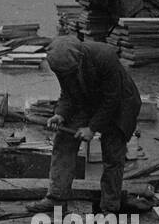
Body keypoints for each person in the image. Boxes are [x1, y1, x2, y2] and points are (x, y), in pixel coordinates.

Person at [44, 35, 142, 214]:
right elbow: (68, 94)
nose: (65, 75)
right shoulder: (62, 64)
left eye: (69, 72)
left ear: (79, 59)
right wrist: (60, 114)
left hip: (121, 104)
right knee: (63, 141)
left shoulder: (105, 57)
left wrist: (92, 128)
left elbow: (112, 99)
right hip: (89, 100)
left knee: (112, 155)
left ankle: (109, 209)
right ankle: (56, 199)